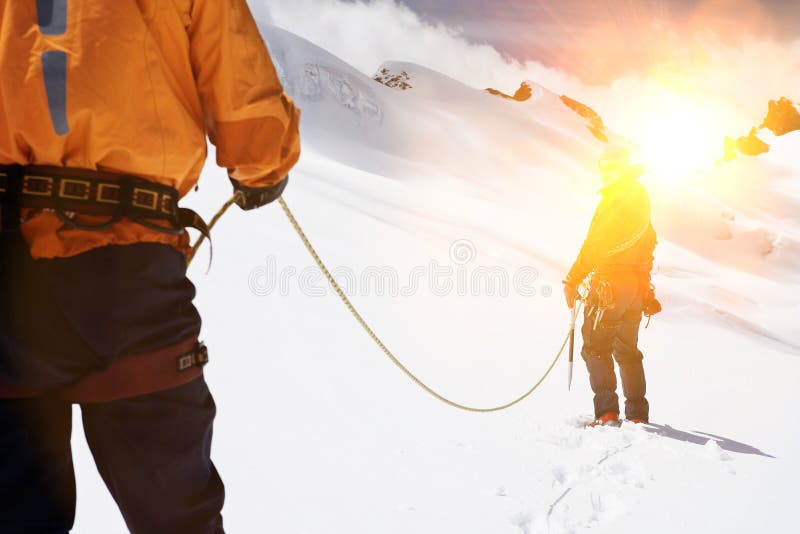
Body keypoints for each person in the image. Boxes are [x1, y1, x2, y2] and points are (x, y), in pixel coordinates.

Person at [0, 1, 300, 532]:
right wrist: (263, 167)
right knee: (174, 510)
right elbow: (244, 98)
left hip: (8, 259)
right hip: (125, 267)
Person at [562, 145, 658, 427]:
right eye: (602, 166)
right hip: (636, 289)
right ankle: (637, 415)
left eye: (610, 166)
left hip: (610, 286)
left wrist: (573, 279)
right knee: (627, 350)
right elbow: (650, 241)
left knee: (595, 346)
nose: (604, 172)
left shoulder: (616, 199)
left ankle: (607, 413)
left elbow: (594, 245)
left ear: (622, 166)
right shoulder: (640, 198)